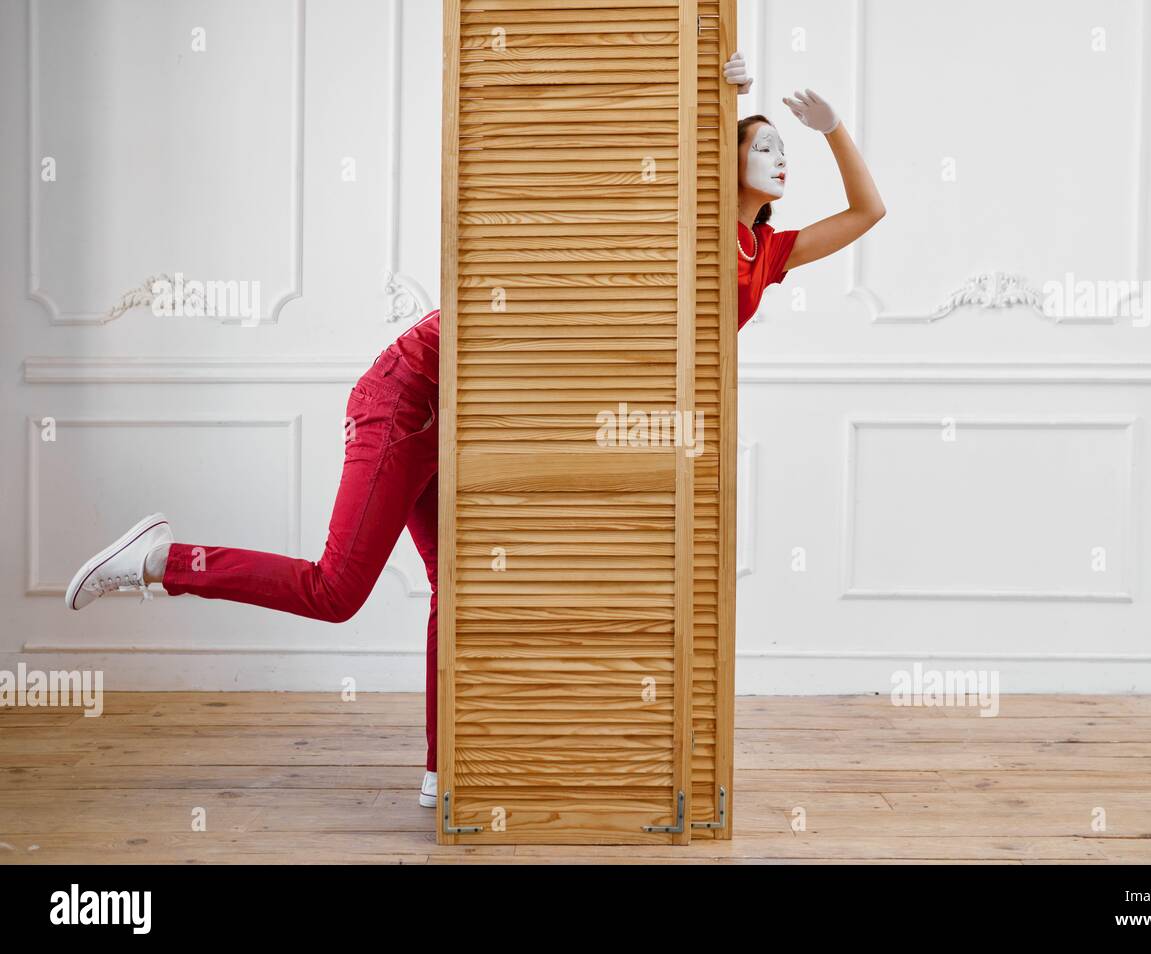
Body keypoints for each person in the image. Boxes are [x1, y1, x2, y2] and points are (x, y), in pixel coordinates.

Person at [62, 51, 885, 809]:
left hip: (465, 402)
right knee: (337, 591)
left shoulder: (761, 254)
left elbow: (869, 210)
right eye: (764, 144)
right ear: (722, 159)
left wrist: (832, 128)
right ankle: (159, 560)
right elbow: (651, 167)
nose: (782, 157)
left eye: (787, 150)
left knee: (458, 595)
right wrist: (719, 94)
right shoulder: (687, 228)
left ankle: (438, 765)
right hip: (412, 386)